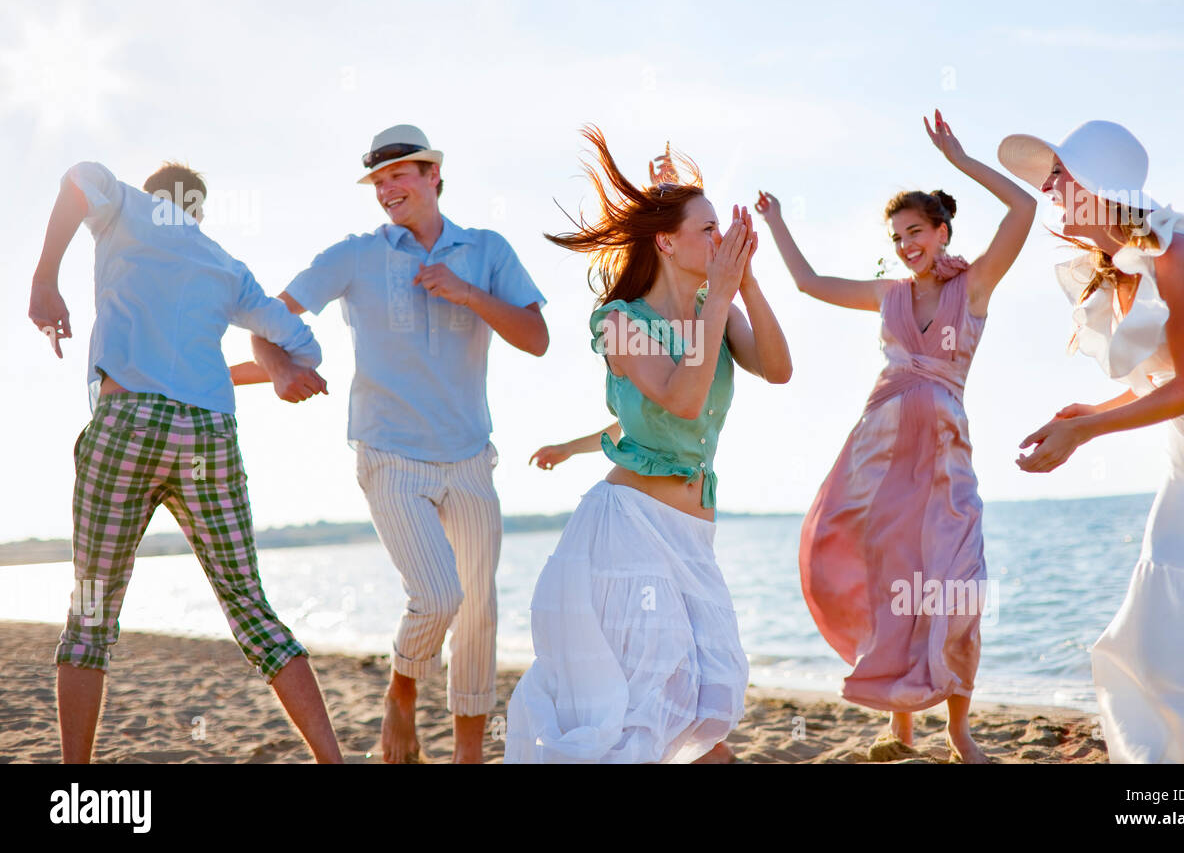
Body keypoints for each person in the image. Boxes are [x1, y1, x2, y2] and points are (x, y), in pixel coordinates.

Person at [244, 124, 548, 763]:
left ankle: (467, 756)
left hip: (468, 455)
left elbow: (536, 337)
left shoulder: (487, 249)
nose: (387, 190)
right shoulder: (355, 255)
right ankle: (402, 689)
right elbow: (266, 322)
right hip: (389, 453)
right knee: (439, 597)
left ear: (434, 173)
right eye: (378, 182)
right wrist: (279, 372)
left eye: (399, 175)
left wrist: (469, 292)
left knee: (479, 617)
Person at [1005, 120, 1184, 763]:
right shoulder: (1121, 270)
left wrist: (1086, 429)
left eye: (1060, 178)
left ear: (1097, 186)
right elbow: (1165, 384)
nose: (1051, 192)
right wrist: (1090, 413)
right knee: (1162, 630)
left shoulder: (1178, 255)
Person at [28, 159, 342, 764]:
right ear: (199, 211)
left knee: (91, 609)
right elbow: (305, 349)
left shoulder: (123, 208)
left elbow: (76, 180)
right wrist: (278, 370)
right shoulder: (223, 264)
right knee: (250, 607)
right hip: (206, 434)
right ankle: (333, 760)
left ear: (153, 197)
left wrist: (45, 281)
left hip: (128, 424)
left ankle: (74, 780)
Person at [505, 129, 792, 763]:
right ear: (666, 241)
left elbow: (777, 367)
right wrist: (717, 296)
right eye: (708, 230)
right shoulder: (619, 322)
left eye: (724, 230)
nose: (721, 242)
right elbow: (681, 398)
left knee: (702, 715)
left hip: (693, 541)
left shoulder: (711, 306)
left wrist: (742, 285)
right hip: (629, 534)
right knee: (642, 715)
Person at [757, 111, 1035, 763]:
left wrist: (961, 158)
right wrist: (774, 221)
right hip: (881, 461)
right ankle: (902, 728)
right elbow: (809, 283)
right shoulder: (888, 296)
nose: (907, 243)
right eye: (898, 235)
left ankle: (958, 730)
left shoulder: (976, 286)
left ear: (942, 230)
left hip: (945, 466)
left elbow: (1022, 208)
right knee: (893, 587)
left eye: (917, 230)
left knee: (959, 586)